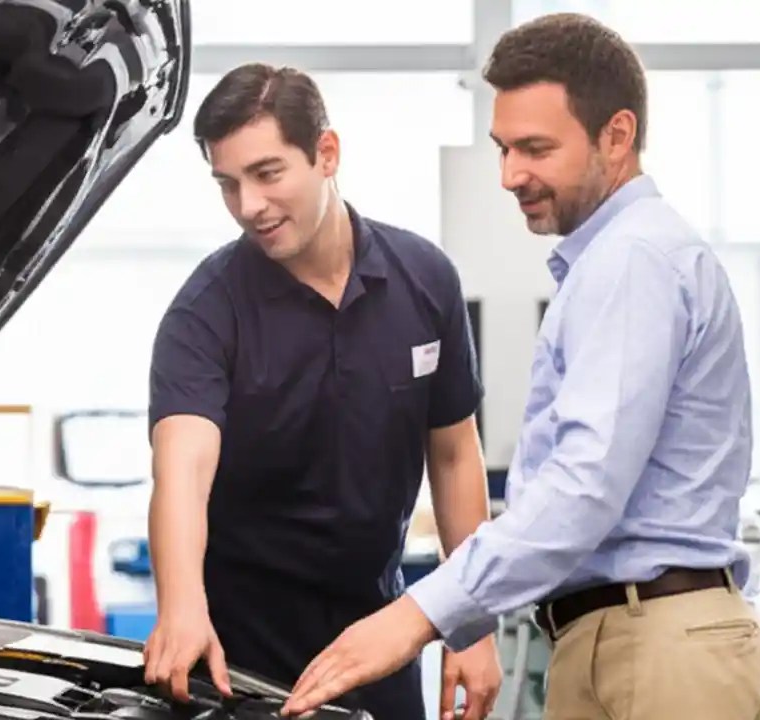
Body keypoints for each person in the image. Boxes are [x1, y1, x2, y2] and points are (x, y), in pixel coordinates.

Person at [280, 12, 760, 720]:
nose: (511, 175)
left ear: (618, 135)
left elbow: (584, 486)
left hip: (660, 645)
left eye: (536, 149)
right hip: (618, 632)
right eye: (503, 148)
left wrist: (417, 615)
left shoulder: (633, 260)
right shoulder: (612, 261)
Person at [141, 62, 502, 720]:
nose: (248, 205)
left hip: (382, 638)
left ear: (326, 153)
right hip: (238, 657)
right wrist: (181, 606)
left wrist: (469, 617)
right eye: (228, 184)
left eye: (267, 173)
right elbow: (182, 470)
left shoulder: (425, 281)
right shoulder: (205, 311)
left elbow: (453, 455)